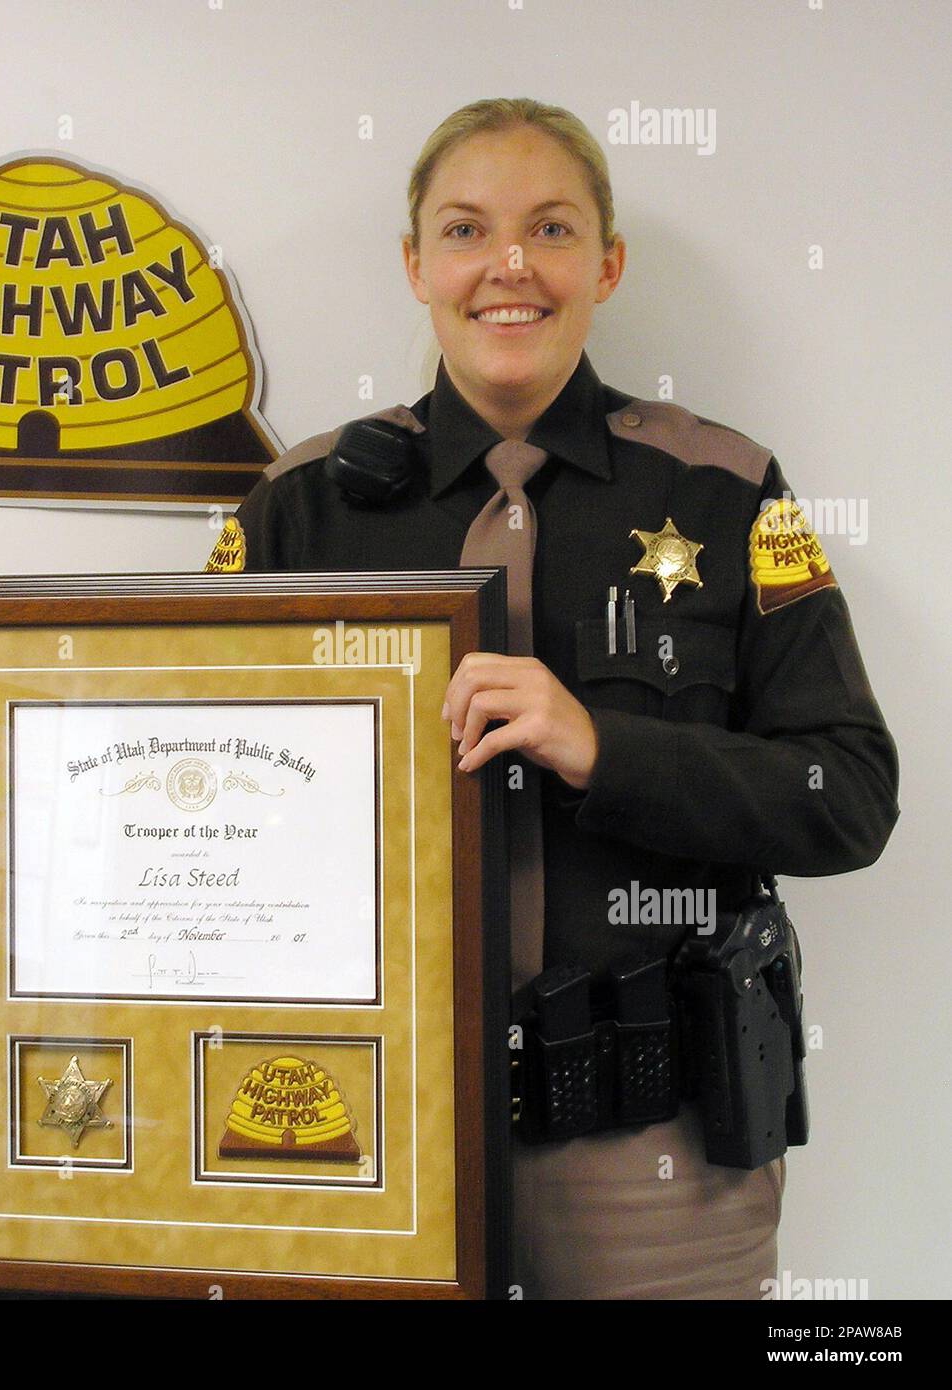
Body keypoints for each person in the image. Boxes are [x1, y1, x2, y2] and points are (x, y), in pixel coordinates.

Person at [204, 97, 900, 1298]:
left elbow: (849, 794)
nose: (509, 266)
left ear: (607, 265)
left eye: (553, 229)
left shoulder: (732, 492)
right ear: (417, 263)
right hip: (352, 1125)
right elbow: (195, 799)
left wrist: (602, 746)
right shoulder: (295, 510)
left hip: (655, 1159)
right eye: (467, 230)